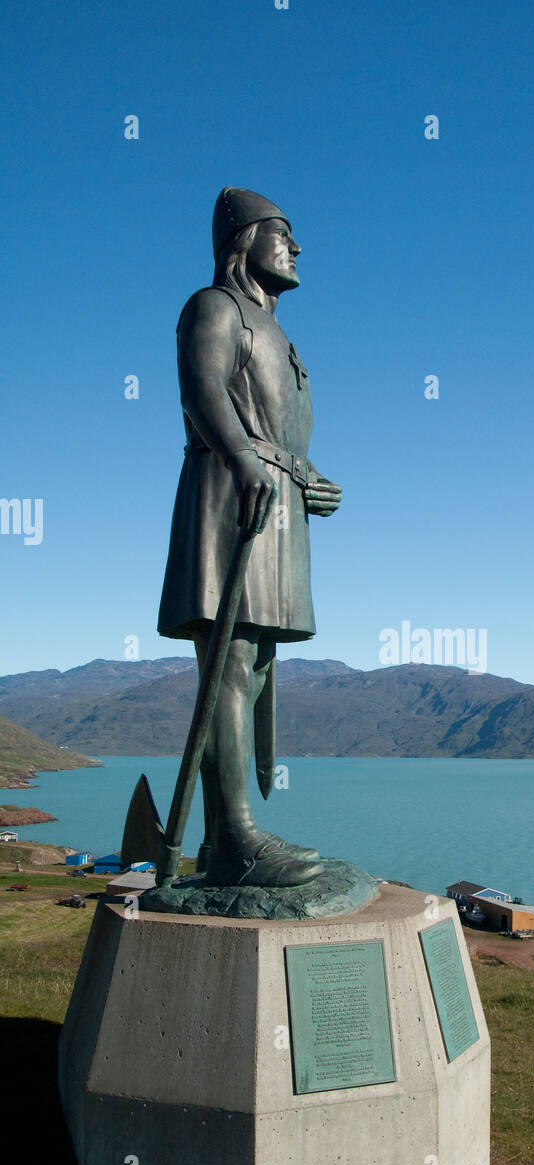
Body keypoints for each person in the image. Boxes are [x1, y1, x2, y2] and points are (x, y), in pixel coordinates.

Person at [157, 188, 341, 887]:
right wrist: (240, 456)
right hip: (229, 495)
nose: (295, 247)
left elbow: (279, 429)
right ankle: (233, 840)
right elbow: (202, 389)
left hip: (277, 502)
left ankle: (227, 839)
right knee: (228, 666)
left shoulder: (279, 335)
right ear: (242, 239)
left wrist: (310, 478)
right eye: (281, 233)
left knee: (255, 662)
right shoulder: (214, 307)